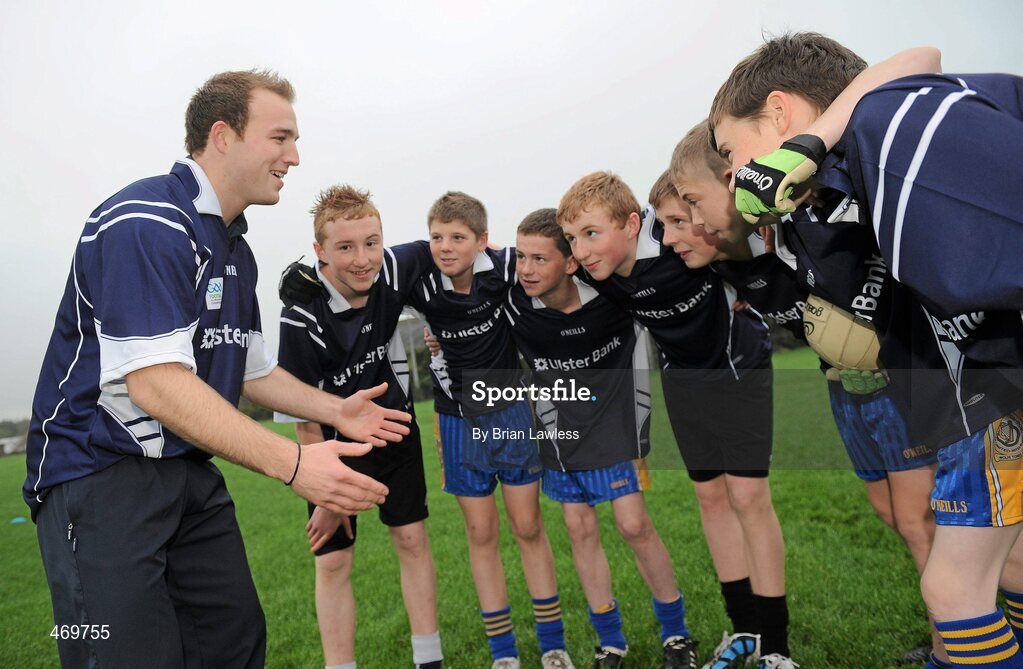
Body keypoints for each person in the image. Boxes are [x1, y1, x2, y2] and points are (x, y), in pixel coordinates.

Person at [23, 70, 412, 669]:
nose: (295, 156)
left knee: (233, 642)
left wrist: (337, 410)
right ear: (224, 135)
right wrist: (297, 463)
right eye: (280, 138)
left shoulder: (237, 248)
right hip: (97, 475)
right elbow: (156, 384)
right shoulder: (146, 220)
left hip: (186, 472)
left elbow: (249, 370)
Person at [711, 32, 1023, 669]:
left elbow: (917, 62)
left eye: (730, 149)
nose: (730, 172)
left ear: (779, 113)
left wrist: (808, 144)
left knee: (951, 586)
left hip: (997, 393)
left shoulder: (888, 127)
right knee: (997, 564)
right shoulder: (858, 167)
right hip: (984, 392)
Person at [666, 119, 946, 666]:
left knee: (921, 520)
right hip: (843, 389)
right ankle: (961, 627)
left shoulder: (799, 227)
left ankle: (956, 643)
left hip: (896, 383)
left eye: (691, 209)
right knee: (890, 512)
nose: (686, 228)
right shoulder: (728, 263)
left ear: (734, 183)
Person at [557, 172, 795, 668]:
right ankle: (745, 630)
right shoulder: (592, 268)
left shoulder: (681, 238)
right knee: (710, 498)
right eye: (573, 239)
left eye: (591, 234)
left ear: (630, 223)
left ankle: (776, 648)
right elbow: (530, 275)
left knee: (748, 496)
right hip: (683, 380)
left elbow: (751, 241)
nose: (580, 251)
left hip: (738, 365)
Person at [506, 208, 698, 668]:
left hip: (618, 428)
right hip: (559, 435)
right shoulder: (514, 303)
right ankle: (610, 641)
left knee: (633, 525)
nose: (526, 270)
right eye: (520, 258)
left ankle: (676, 635)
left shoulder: (613, 294)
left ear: (570, 262)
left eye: (538, 259)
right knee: (578, 528)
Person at [276, 185, 442, 669]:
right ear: (320, 252)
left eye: (372, 242)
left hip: (393, 426)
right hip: (333, 449)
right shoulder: (301, 316)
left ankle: (429, 659)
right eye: (345, 247)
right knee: (332, 560)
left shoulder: (393, 266)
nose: (363, 258)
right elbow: (305, 419)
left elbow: (459, 244)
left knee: (412, 539)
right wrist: (325, 494)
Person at [411, 192, 573, 669]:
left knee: (527, 525)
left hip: (509, 413)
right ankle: (504, 653)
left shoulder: (505, 269)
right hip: (456, 420)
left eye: (458, 237)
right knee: (480, 532)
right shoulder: (420, 283)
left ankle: (553, 645)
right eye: (437, 236)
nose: (445, 246)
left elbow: (545, 265)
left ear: (482, 242)